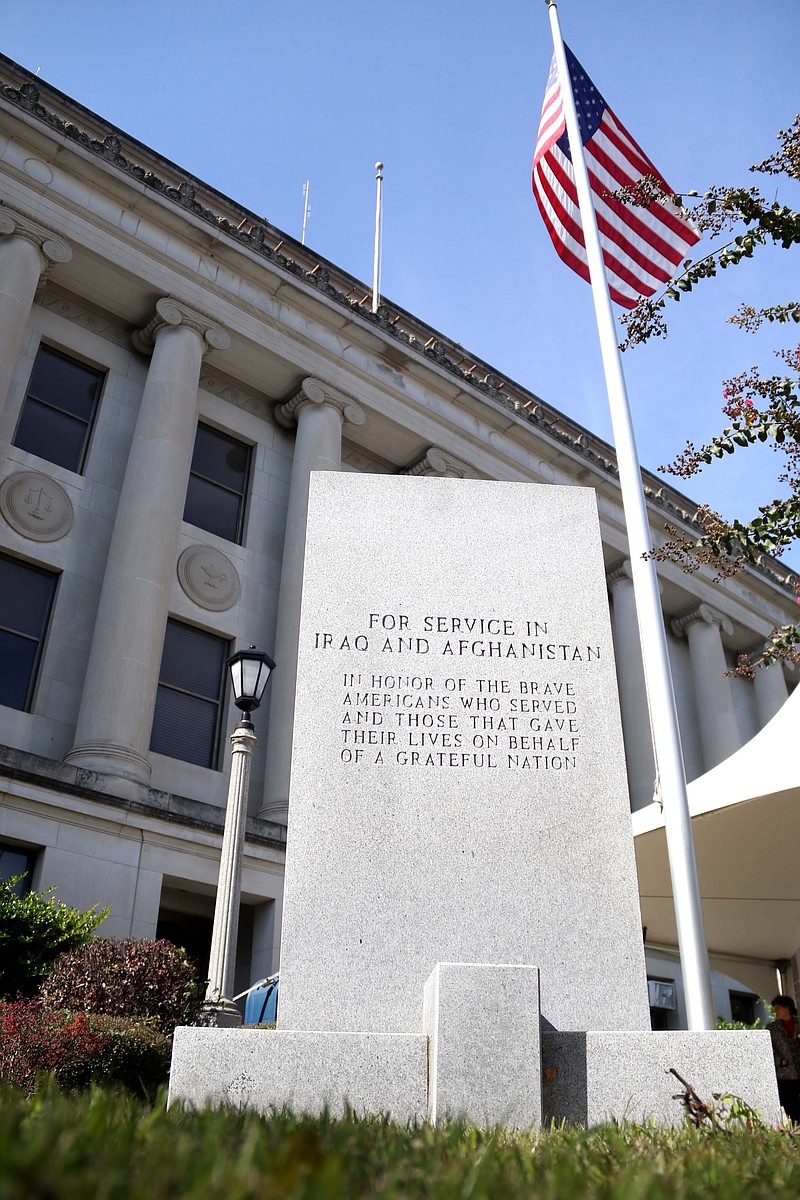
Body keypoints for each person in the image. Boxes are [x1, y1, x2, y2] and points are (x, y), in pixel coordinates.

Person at [768, 994, 800, 1124]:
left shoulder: (798, 1023)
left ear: (787, 1008)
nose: (776, 1012)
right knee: (789, 1105)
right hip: (785, 1076)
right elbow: (768, 1051)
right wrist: (779, 1061)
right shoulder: (772, 1029)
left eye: (778, 1008)